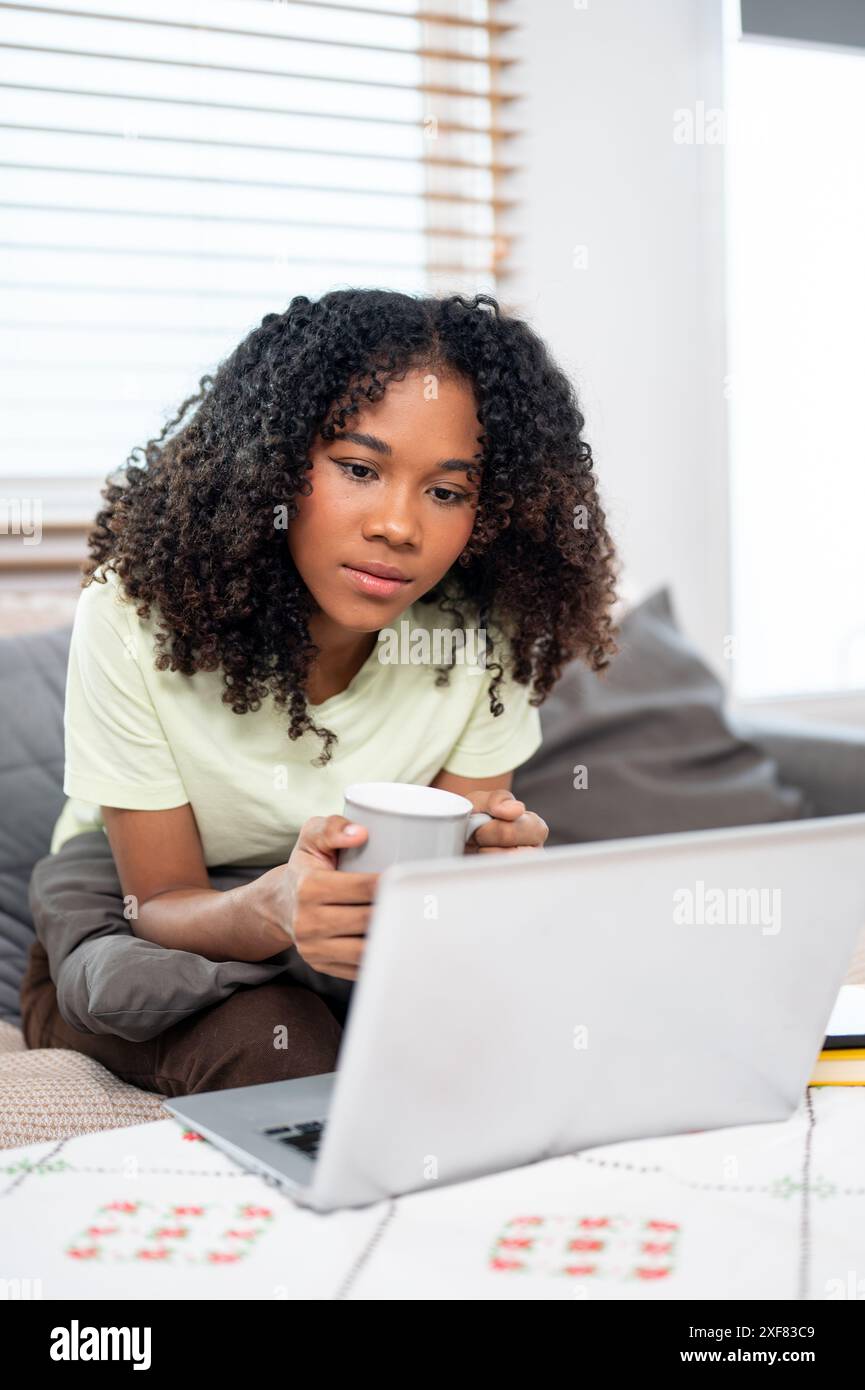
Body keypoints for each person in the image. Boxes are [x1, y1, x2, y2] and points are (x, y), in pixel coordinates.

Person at [20, 288, 619, 1098]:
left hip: (351, 932)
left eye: (446, 491)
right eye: (359, 469)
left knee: (530, 1019)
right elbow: (156, 901)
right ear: (271, 461)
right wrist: (274, 911)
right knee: (281, 1047)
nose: (398, 526)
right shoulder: (131, 619)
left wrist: (474, 876)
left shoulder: (489, 633)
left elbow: (428, 902)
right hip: (148, 925)